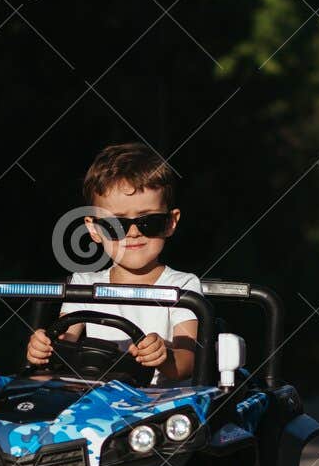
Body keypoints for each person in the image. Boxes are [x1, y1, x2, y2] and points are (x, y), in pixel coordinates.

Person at [25, 142, 201, 384]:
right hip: (96, 401)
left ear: (171, 222)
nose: (134, 233)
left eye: (149, 222)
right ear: (94, 229)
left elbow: (187, 361)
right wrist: (44, 348)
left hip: (160, 407)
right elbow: (64, 341)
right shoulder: (83, 283)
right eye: (116, 225)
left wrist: (164, 357)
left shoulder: (183, 285)